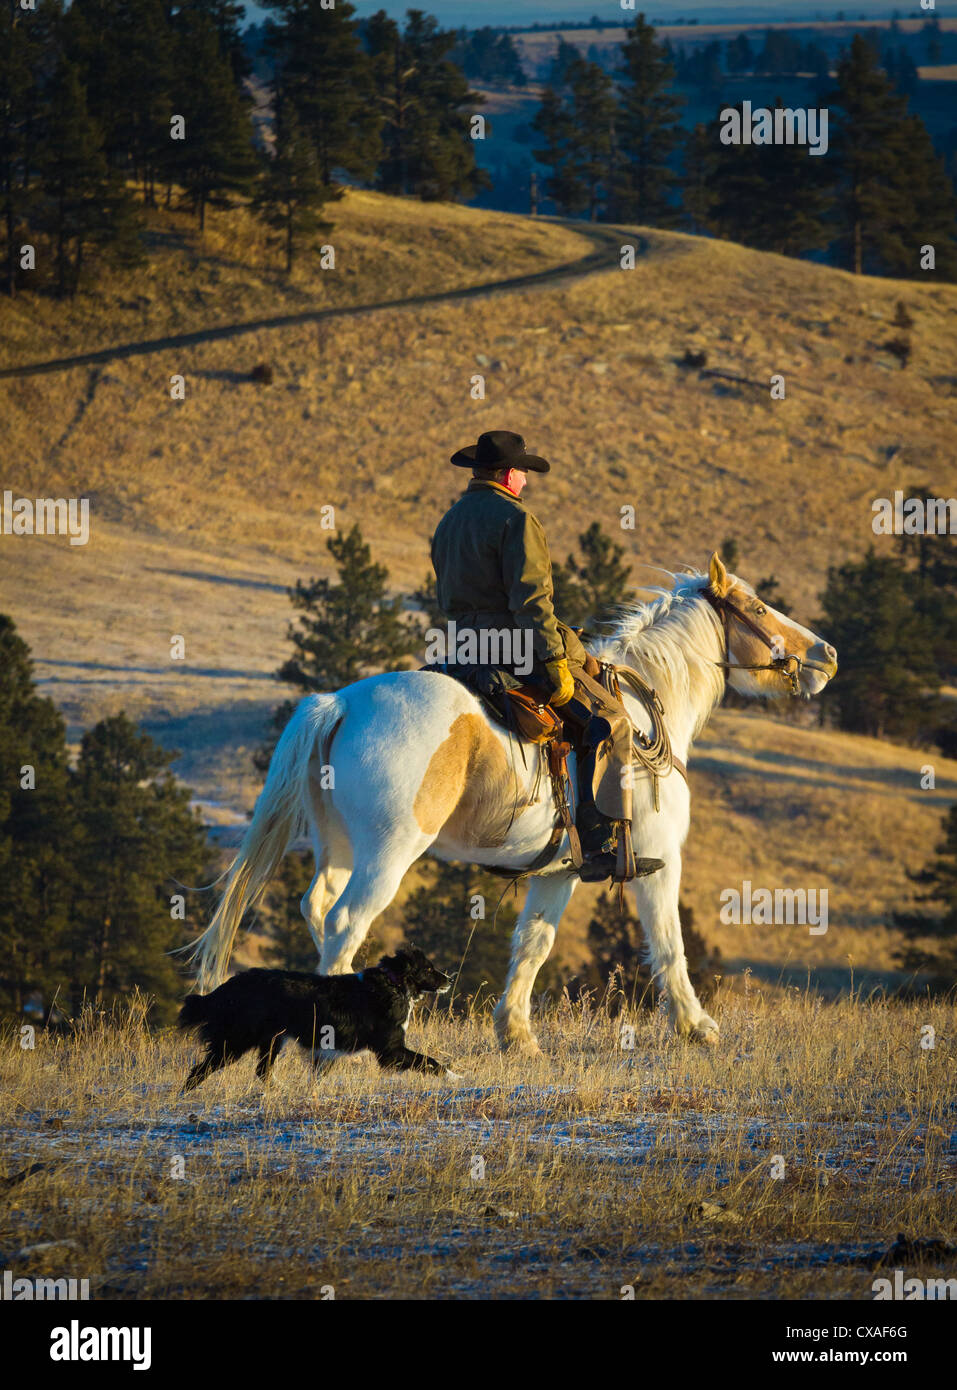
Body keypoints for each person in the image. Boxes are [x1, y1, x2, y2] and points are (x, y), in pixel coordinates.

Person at [430, 430, 664, 884]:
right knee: (610, 721)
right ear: (510, 474)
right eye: (523, 472)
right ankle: (600, 846)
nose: (526, 481)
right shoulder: (515, 520)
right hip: (511, 647)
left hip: (460, 647)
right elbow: (532, 604)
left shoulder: (449, 520)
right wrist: (555, 661)